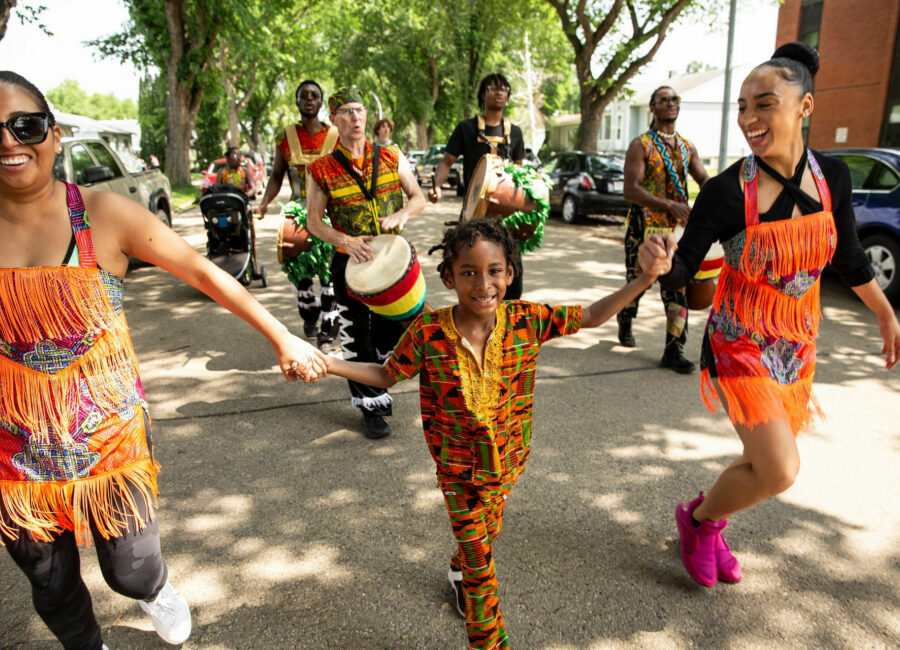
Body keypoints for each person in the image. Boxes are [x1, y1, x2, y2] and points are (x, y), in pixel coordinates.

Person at [0, 71, 326, 649]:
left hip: (110, 439)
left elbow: (203, 272)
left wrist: (283, 337)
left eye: (24, 125)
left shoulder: (104, 214)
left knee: (131, 568)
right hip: (14, 449)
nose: (8, 140)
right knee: (49, 582)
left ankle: (155, 592)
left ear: (52, 136)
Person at [323, 219, 671, 649]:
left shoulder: (528, 320)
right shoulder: (428, 333)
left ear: (509, 274)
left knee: (489, 532)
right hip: (458, 477)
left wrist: (645, 277)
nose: (483, 283)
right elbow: (385, 373)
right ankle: (485, 628)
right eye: (468, 271)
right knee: (481, 574)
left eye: (494, 270)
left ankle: (458, 566)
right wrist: (327, 364)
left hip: (509, 464)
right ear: (448, 277)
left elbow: (594, 316)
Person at [642, 43, 900, 588]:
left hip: (796, 342)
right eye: (741, 107)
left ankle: (704, 524)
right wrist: (659, 265)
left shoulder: (833, 177)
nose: (748, 119)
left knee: (758, 462)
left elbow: (850, 259)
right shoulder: (724, 191)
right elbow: (685, 268)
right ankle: (701, 520)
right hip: (738, 341)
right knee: (780, 469)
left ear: (805, 106)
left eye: (764, 104)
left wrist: (885, 314)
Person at [306, 86, 426, 439]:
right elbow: (314, 222)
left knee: (401, 327)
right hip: (349, 267)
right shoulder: (322, 169)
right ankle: (372, 408)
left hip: (394, 265)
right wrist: (344, 240)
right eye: (346, 111)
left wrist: (402, 214)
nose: (355, 117)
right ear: (334, 120)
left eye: (359, 110)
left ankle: (388, 374)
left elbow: (417, 197)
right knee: (357, 338)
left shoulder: (391, 155)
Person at [618, 85, 710, 373]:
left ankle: (674, 350)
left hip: (674, 231)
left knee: (676, 288)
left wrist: (715, 202)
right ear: (653, 108)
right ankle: (625, 316)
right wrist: (670, 205)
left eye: (674, 99)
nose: (671, 104)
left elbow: (705, 179)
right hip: (643, 227)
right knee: (638, 284)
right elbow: (630, 190)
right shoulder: (641, 145)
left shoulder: (687, 146)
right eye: (664, 100)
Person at [257, 80, 341, 351]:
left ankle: (327, 331)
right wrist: (264, 203)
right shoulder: (286, 137)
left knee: (330, 276)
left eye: (314, 95)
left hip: (330, 216)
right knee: (301, 275)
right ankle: (309, 315)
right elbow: (276, 176)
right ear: (297, 101)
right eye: (303, 95)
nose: (309, 99)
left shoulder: (336, 136)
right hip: (297, 216)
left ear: (321, 102)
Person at [430, 73, 527, 299]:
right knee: (475, 280)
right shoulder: (466, 128)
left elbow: (522, 173)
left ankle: (507, 330)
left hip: (507, 219)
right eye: (493, 88)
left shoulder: (515, 132)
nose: (499, 92)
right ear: (483, 94)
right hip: (474, 217)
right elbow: (446, 163)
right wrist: (437, 186)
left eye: (503, 89)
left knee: (512, 286)